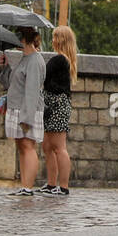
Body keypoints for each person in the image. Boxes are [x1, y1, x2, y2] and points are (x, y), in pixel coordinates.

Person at [0, 27, 46, 196]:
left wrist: (27, 117)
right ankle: (24, 185)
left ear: (23, 39)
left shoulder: (34, 60)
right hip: (18, 107)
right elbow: (13, 83)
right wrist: (6, 68)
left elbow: (32, 91)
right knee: (21, 146)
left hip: (26, 110)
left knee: (28, 146)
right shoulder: (25, 59)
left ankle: (28, 186)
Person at [40, 25, 77, 196]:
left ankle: (63, 186)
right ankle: (51, 184)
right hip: (55, 104)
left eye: (56, 37)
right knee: (48, 146)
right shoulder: (65, 60)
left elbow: (44, 77)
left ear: (61, 40)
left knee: (58, 147)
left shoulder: (59, 60)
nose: (53, 40)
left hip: (56, 104)